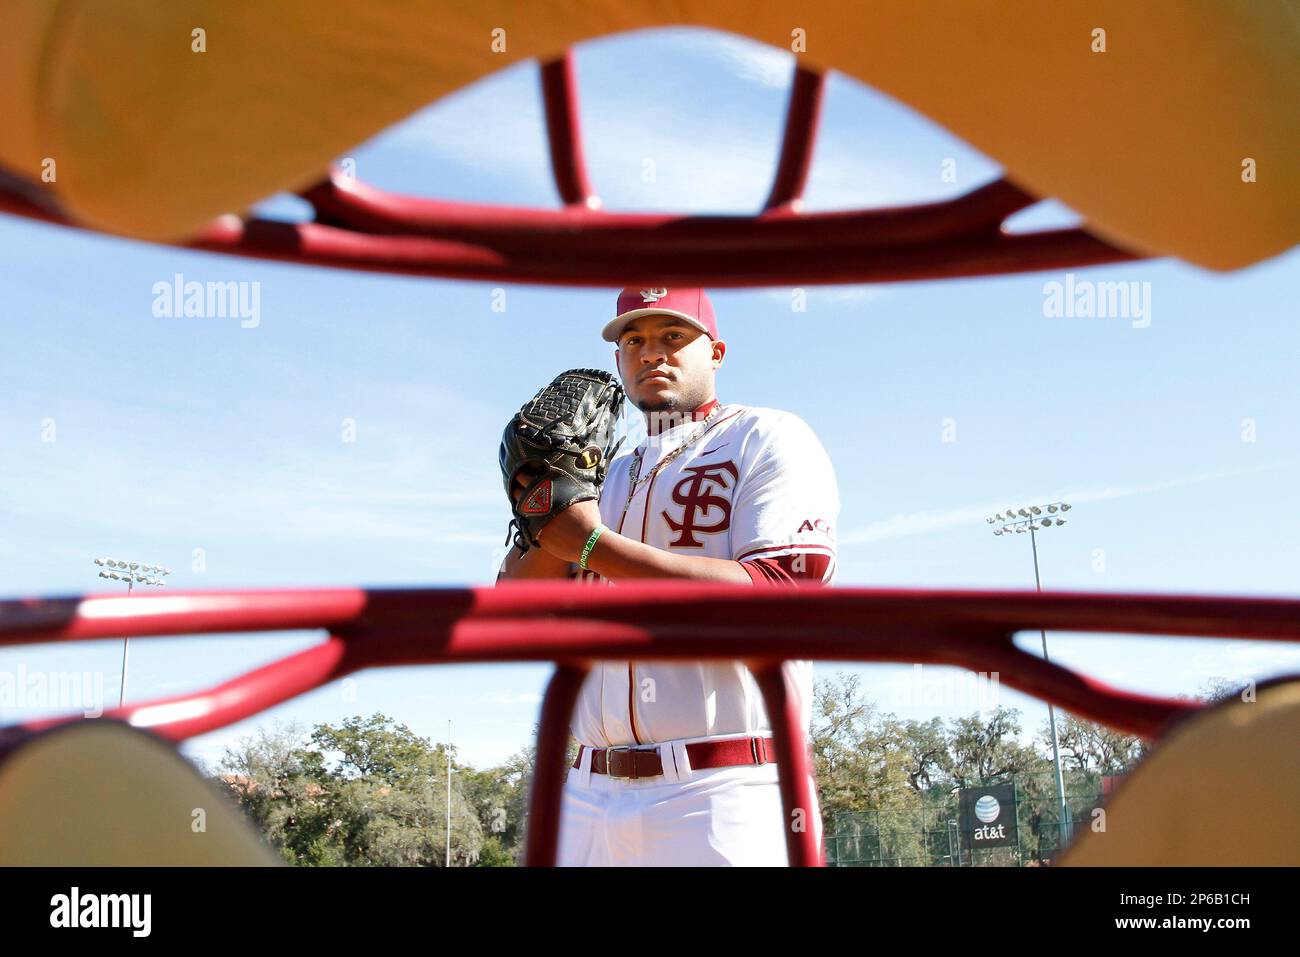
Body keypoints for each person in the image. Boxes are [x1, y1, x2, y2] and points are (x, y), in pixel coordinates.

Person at [497, 286, 840, 865]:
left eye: (673, 336)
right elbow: (515, 611)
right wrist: (540, 507)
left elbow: (780, 596)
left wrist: (592, 546)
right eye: (634, 339)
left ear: (717, 352)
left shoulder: (766, 437)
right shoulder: (598, 470)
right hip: (587, 789)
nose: (651, 352)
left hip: (722, 785)